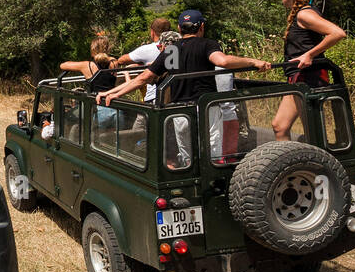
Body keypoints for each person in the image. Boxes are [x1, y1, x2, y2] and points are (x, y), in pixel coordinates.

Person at [97, 10, 271, 166]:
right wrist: (254, 61)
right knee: (212, 156)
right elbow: (223, 61)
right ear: (201, 26)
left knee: (188, 158)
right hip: (206, 109)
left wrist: (112, 92)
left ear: (180, 29)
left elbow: (145, 77)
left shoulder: (171, 50)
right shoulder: (207, 44)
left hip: (180, 111)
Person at [274, 0, 347, 140]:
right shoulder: (300, 14)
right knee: (280, 127)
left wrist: (310, 55)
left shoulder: (305, 14)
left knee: (312, 129)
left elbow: (337, 33)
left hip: (309, 76)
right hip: (298, 76)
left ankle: (316, 165)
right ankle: (288, 165)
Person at [113, 18, 172, 105]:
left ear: (152, 32)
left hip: (154, 97)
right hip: (172, 95)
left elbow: (121, 60)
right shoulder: (176, 47)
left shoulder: (147, 49)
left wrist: (139, 63)